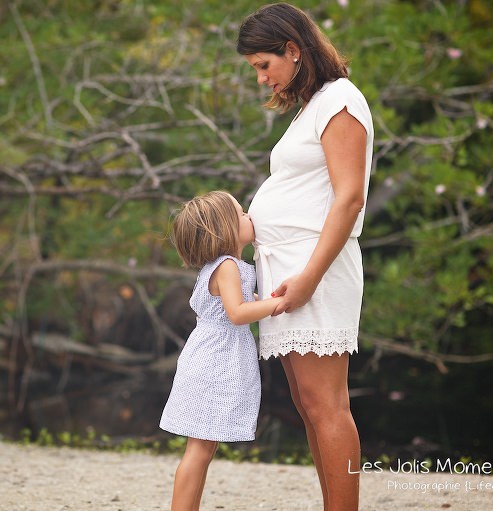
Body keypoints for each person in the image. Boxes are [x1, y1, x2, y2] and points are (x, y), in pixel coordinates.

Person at [237, 3, 374, 511]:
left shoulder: (340, 101)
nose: (260, 79)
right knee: (308, 404)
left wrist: (310, 279)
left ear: (292, 49)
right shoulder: (312, 105)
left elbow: (349, 197)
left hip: (314, 270)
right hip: (289, 269)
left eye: (263, 65)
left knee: (327, 405)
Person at [160, 190, 282, 511]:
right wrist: (277, 304)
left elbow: (240, 305)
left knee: (204, 447)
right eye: (242, 214)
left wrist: (263, 300)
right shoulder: (227, 265)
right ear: (224, 229)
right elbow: (237, 312)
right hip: (214, 363)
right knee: (199, 449)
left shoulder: (226, 266)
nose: (249, 217)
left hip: (213, 356)